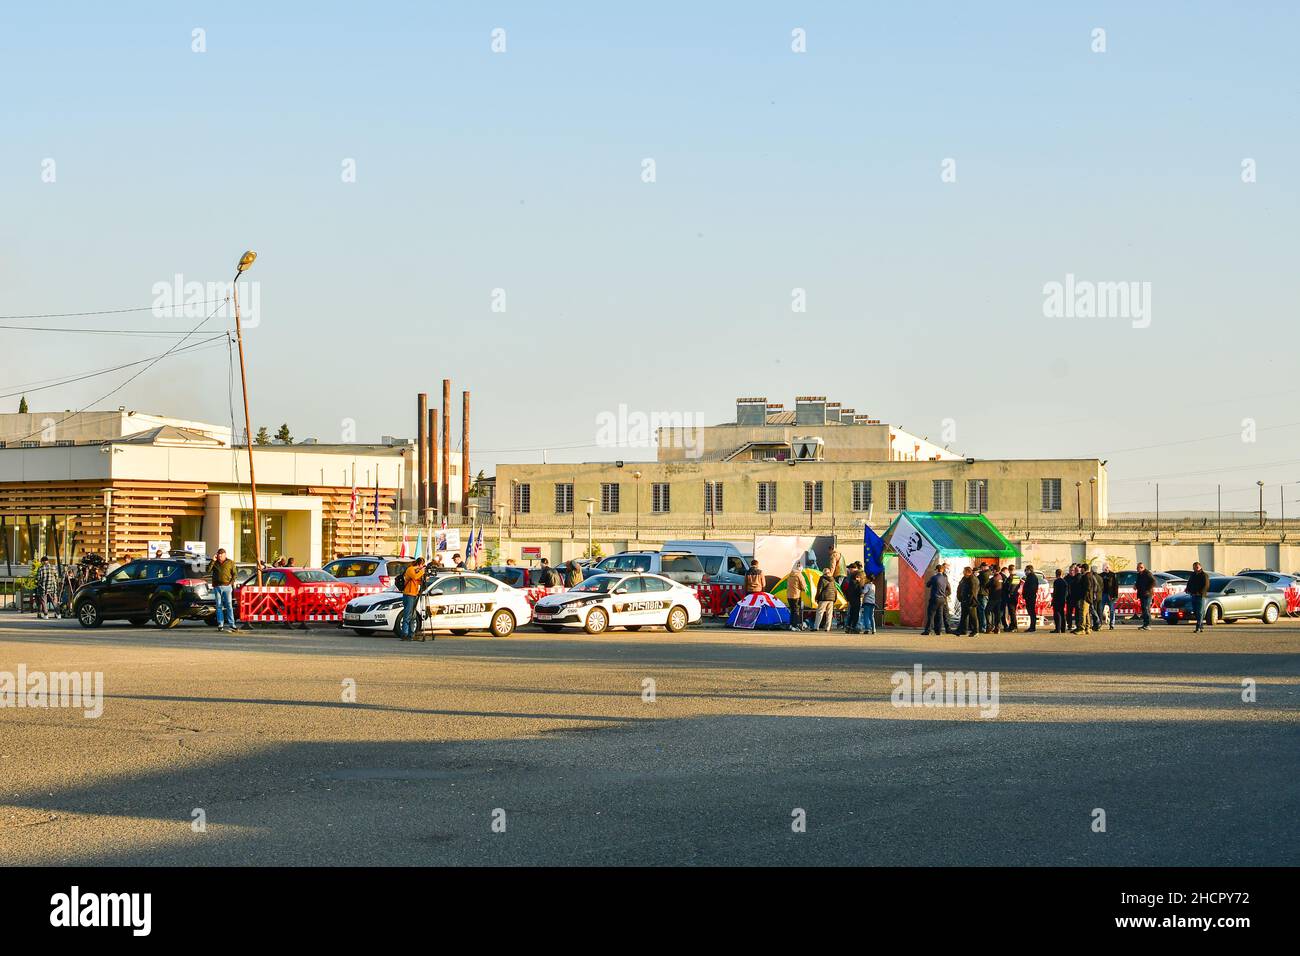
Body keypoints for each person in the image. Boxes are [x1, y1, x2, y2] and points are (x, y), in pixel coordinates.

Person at [210, 548, 238, 633]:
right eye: (218, 554)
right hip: (217, 587)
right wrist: (212, 561)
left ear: (225, 555)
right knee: (218, 605)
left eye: (221, 554)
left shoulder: (230, 562)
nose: (219, 556)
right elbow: (208, 570)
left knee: (229, 605)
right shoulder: (215, 562)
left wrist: (231, 583)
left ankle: (232, 624)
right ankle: (220, 624)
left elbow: (235, 574)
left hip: (227, 587)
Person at [400, 556, 426, 641]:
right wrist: (422, 572)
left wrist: (424, 577)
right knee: (407, 615)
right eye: (423, 565)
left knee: (413, 615)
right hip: (408, 594)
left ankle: (411, 634)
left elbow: (418, 580)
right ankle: (405, 634)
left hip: (414, 594)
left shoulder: (418, 571)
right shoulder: (410, 569)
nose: (423, 567)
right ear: (420, 564)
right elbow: (414, 577)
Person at [922, 563, 952, 635]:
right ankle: (938, 631)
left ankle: (928, 630)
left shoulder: (934, 577)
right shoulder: (945, 578)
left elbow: (928, 585)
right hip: (942, 599)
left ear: (936, 570)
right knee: (939, 615)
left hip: (934, 598)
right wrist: (944, 595)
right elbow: (949, 589)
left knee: (931, 615)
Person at [1186, 561, 1210, 632]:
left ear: (1200, 567)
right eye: (1194, 567)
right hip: (1193, 595)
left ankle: (1198, 627)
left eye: (1196, 567)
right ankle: (1201, 625)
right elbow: (1189, 583)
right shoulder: (1193, 575)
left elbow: (1206, 585)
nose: (1195, 568)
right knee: (1195, 611)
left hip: (1200, 596)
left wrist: (1200, 593)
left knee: (1200, 612)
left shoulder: (1204, 575)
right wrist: (1188, 589)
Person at [1078, 564, 1101, 635]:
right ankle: (1088, 628)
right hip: (1089, 597)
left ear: (1084, 569)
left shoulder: (1086, 576)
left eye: (1081, 568)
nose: (1080, 570)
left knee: (1083, 613)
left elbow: (1088, 587)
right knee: (1087, 613)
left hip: (1085, 597)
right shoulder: (1090, 575)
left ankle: (1082, 628)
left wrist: (1085, 596)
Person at [841, 563, 863, 634]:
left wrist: (847, 597)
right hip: (856, 600)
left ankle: (848, 627)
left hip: (850, 599)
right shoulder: (856, 582)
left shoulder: (849, 581)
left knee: (851, 614)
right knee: (856, 614)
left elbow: (845, 589)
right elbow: (860, 592)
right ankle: (854, 627)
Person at [956, 567, 978, 636]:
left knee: (973, 616)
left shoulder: (973, 579)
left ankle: (976, 631)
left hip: (970, 601)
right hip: (964, 600)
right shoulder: (964, 578)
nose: (963, 572)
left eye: (964, 571)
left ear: (968, 572)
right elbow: (960, 586)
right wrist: (960, 597)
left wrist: (970, 601)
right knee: (964, 616)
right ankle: (962, 630)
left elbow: (973, 591)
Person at [1134, 562, 1156, 630]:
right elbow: (1138, 582)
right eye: (1137, 567)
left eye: (1138, 568)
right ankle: (1145, 624)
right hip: (1141, 594)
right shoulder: (1139, 574)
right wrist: (1136, 586)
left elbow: (1153, 581)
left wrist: (1147, 589)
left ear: (1141, 567)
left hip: (1147, 594)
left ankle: (1148, 625)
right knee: (1144, 609)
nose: (1137, 569)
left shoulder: (1147, 573)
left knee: (1146, 609)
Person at [783, 566, 805, 631]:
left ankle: (791, 625)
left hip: (789, 595)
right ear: (800, 570)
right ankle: (795, 626)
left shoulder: (790, 575)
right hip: (796, 595)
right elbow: (803, 586)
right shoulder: (799, 575)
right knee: (796, 611)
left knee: (792, 610)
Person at [1099, 564, 1118, 630]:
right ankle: (1100, 624)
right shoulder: (1100, 575)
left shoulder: (1113, 575)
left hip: (1110, 595)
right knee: (1100, 609)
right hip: (1102, 594)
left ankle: (1112, 624)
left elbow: (1116, 586)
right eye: (1105, 567)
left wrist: (1115, 595)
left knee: (1112, 610)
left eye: (1107, 567)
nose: (1106, 568)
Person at [984, 565, 1003, 633]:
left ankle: (989, 627)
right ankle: (997, 628)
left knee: (987, 611)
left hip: (993, 598)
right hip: (999, 598)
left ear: (995, 570)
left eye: (992, 570)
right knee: (996, 613)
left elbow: (986, 585)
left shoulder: (994, 578)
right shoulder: (1000, 577)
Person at [1021, 565, 1039, 632]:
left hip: (1030, 597)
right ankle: (1032, 627)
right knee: (1031, 612)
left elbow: (1032, 589)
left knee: (1032, 612)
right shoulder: (1030, 577)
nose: (1025, 572)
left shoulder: (1032, 577)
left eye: (1026, 570)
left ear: (1029, 570)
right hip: (1029, 597)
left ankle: (1032, 627)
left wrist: (1027, 595)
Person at [1003, 565, 1020, 631]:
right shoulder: (1010, 577)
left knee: (1012, 612)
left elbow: (1014, 587)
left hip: (1012, 597)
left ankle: (1014, 626)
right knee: (1011, 612)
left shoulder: (1015, 577)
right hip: (1010, 596)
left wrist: (1010, 593)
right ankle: (1012, 625)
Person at [1051, 568, 1068, 633]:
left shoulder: (1056, 581)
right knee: (1062, 614)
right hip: (1062, 600)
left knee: (1057, 614)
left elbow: (1055, 592)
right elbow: (1067, 592)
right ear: (1062, 574)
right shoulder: (1064, 582)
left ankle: (1057, 628)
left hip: (1057, 600)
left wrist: (1053, 600)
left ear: (1056, 574)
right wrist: (1065, 599)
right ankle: (1063, 629)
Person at [975, 564, 990, 633]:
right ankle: (985, 626)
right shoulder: (988, 573)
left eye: (981, 568)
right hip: (985, 594)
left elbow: (980, 578)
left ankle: (983, 627)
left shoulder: (985, 574)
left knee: (982, 611)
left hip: (983, 594)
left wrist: (978, 573)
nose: (980, 569)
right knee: (984, 611)